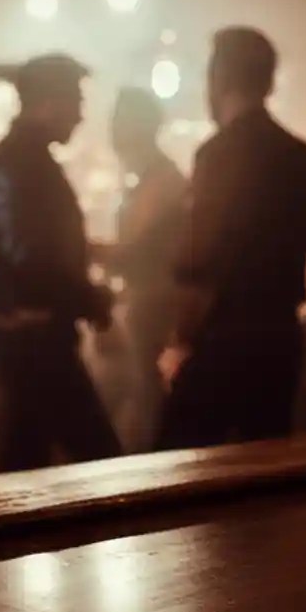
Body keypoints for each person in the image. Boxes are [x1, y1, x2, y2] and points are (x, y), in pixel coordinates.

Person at [156, 27, 306, 451]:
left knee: (181, 462)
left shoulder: (217, 154)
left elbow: (199, 255)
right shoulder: (300, 154)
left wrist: (180, 339)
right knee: (264, 461)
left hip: (222, 334)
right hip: (280, 336)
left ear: (219, 79)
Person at [0, 53, 122, 471]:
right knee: (105, 468)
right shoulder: (18, 165)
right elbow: (32, 259)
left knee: (21, 472)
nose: (81, 115)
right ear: (48, 103)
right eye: (76, 101)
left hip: (32, 339)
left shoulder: (24, 161)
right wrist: (92, 301)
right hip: (33, 343)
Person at [102, 87, 187, 452]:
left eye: (119, 121)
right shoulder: (147, 178)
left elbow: (133, 248)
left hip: (154, 303)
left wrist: (79, 249)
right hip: (145, 301)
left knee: (146, 400)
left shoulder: (161, 181)